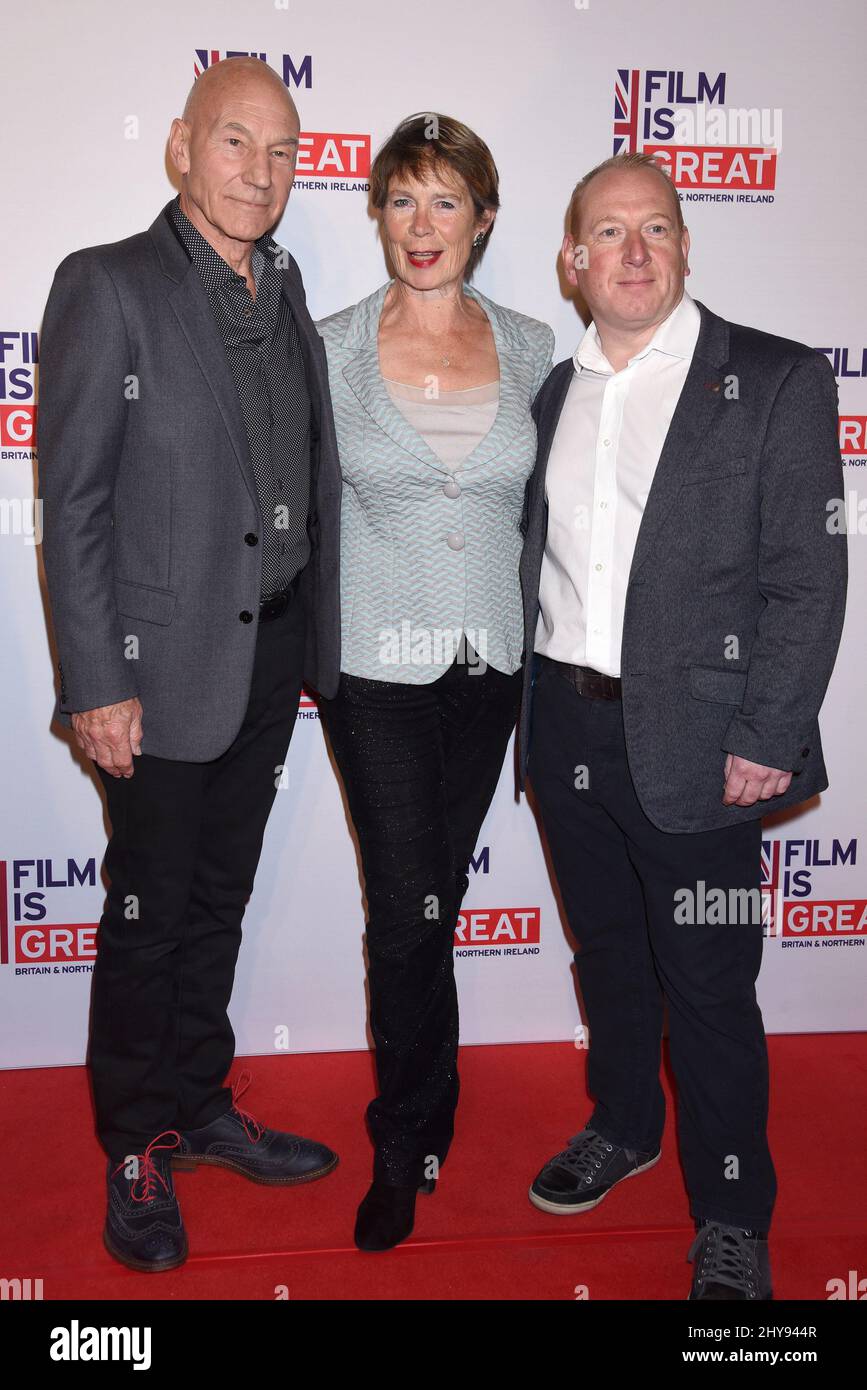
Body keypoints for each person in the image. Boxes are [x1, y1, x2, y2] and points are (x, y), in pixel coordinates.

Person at [518, 151, 847, 1299]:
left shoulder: (776, 378)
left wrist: (768, 731)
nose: (634, 251)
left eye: (655, 227)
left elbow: (809, 576)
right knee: (608, 955)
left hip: (708, 748)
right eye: (608, 233)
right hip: (564, 728)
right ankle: (623, 1124)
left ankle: (733, 1213)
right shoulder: (552, 394)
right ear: (574, 261)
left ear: (686, 247)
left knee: (709, 987)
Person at [38, 56, 342, 1273]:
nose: (261, 173)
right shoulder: (106, 284)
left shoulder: (287, 284)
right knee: (148, 912)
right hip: (154, 671)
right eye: (234, 143)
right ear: (179, 147)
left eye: (283, 151)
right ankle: (132, 1143)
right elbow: (75, 503)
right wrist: (96, 680)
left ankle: (200, 1105)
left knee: (217, 899)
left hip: (268, 655)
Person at [316, 113, 554, 1251]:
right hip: (377, 671)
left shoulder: (535, 344)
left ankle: (431, 1101)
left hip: (490, 665)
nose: (423, 224)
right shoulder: (329, 346)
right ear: (378, 214)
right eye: (402, 199)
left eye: (445, 201)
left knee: (435, 904)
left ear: (483, 218)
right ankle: (404, 1137)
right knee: (406, 909)